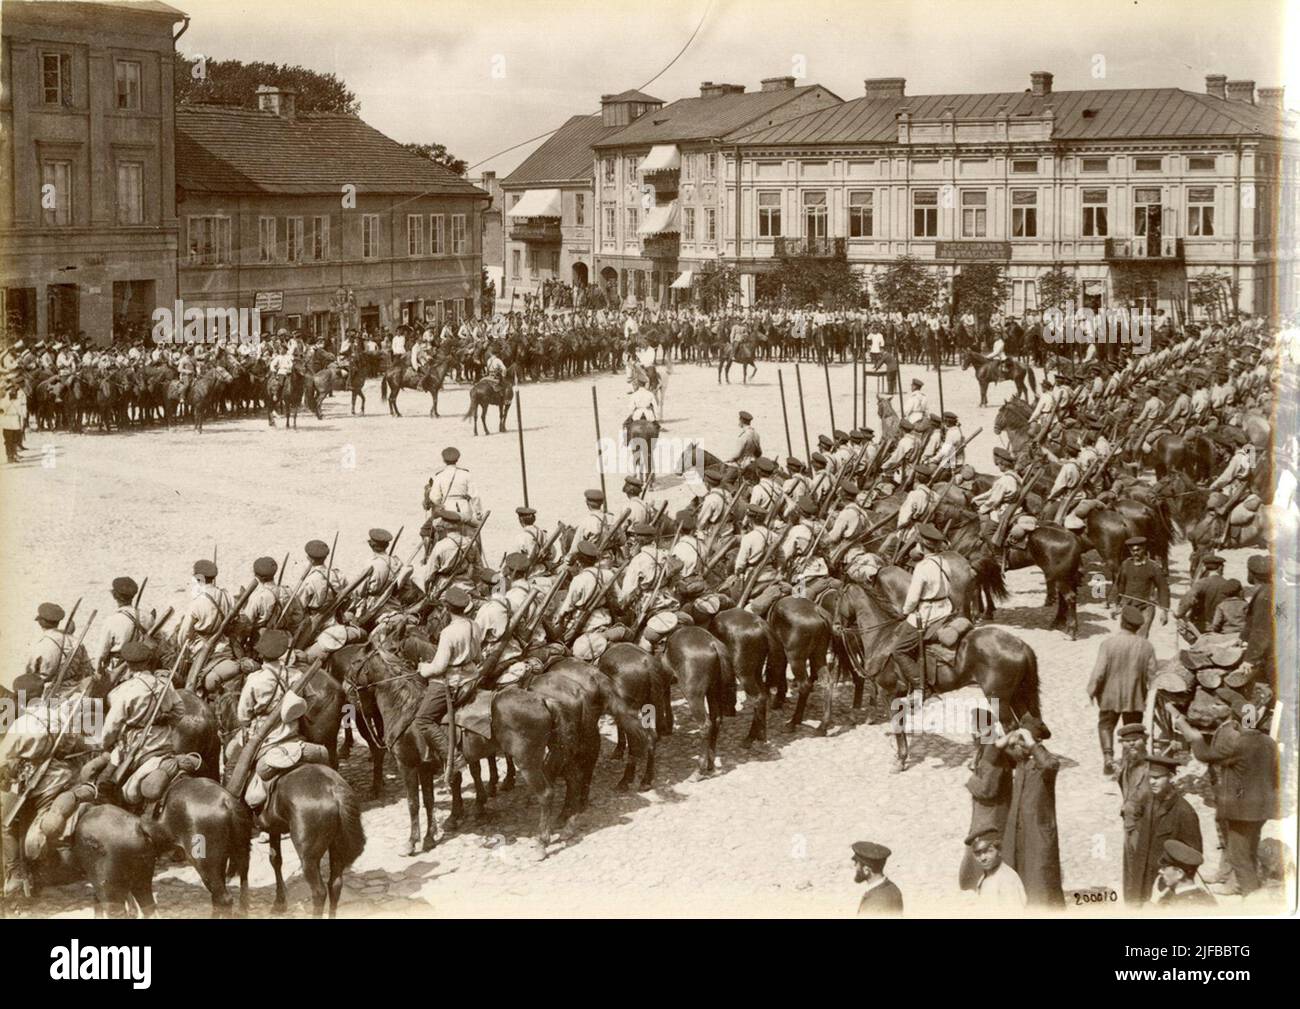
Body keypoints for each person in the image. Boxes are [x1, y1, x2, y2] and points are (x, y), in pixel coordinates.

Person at [1170, 702, 1278, 897]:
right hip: (1262, 808)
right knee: (1250, 850)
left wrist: (1193, 736)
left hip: (1242, 811)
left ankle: (1250, 897)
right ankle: (1243, 888)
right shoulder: (1269, 742)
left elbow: (1206, 755)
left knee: (1239, 856)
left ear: (1240, 724)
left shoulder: (1239, 744)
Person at [411, 587, 484, 770]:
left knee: (423, 720)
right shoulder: (473, 625)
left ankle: (454, 757)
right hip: (472, 676)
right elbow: (478, 657)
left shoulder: (448, 633)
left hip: (453, 681)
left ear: (446, 607)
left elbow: (439, 667)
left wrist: (423, 669)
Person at [1000, 717, 1063, 908]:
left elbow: (1051, 764)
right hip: (1019, 830)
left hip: (1038, 831)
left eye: (1022, 742)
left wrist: (1031, 743)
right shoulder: (1022, 762)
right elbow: (999, 747)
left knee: (1040, 877)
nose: (1018, 746)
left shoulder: (1045, 763)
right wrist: (1012, 735)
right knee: (1019, 873)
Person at [1123, 753, 1201, 906]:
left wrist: (1172, 881)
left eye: (1157, 778)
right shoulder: (1149, 799)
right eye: (1150, 777)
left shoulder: (1185, 812)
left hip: (1165, 882)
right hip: (1142, 876)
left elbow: (1193, 856)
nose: (1152, 782)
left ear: (1171, 777)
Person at [1087, 605, 1156, 775]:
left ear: (1121, 621)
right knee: (1132, 729)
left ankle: (1108, 758)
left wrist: (1091, 690)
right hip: (1135, 697)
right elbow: (1153, 675)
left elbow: (1099, 671)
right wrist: (1148, 696)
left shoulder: (1108, 644)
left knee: (1106, 725)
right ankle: (1129, 763)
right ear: (1138, 626)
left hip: (1110, 696)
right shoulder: (1146, 646)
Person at [1107, 536, 1168, 638]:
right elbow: (1119, 585)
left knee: (1141, 637)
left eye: (1138, 550)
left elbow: (1163, 588)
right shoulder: (1126, 564)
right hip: (1129, 606)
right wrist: (1115, 604)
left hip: (1146, 607)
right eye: (1132, 550)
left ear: (1144, 549)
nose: (1135, 553)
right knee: (1126, 636)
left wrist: (1164, 610)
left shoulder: (1153, 567)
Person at [967, 829, 1027, 910]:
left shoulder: (1007, 879)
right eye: (978, 853)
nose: (983, 858)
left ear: (999, 851)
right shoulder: (986, 876)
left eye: (988, 851)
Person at [1175, 554, 1232, 635]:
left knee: (1182, 628)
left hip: (1203, 625)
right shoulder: (1228, 584)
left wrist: (1180, 614)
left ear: (1204, 568)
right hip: (1223, 626)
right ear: (1220, 568)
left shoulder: (1201, 583)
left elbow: (1188, 599)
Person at [1152, 840, 1216, 908]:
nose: (1160, 871)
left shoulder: (1180, 907)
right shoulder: (1203, 895)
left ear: (1179, 874)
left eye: (1164, 868)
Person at [425, 446, 481, 523]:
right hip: (465, 510)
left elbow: (435, 497)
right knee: (475, 529)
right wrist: (478, 512)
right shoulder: (466, 474)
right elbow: (475, 496)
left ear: (444, 460)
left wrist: (440, 504)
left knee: (432, 529)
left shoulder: (439, 476)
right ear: (457, 459)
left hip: (447, 511)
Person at [852, 841, 903, 916]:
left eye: (856, 863)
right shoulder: (894, 889)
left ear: (866, 870)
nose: (854, 866)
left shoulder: (873, 904)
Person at [725, 410, 762, 475]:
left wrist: (727, 460)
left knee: (726, 480)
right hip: (754, 464)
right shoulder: (756, 434)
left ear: (741, 421)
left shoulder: (744, 435)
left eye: (739, 420)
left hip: (744, 465)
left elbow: (737, 454)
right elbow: (759, 452)